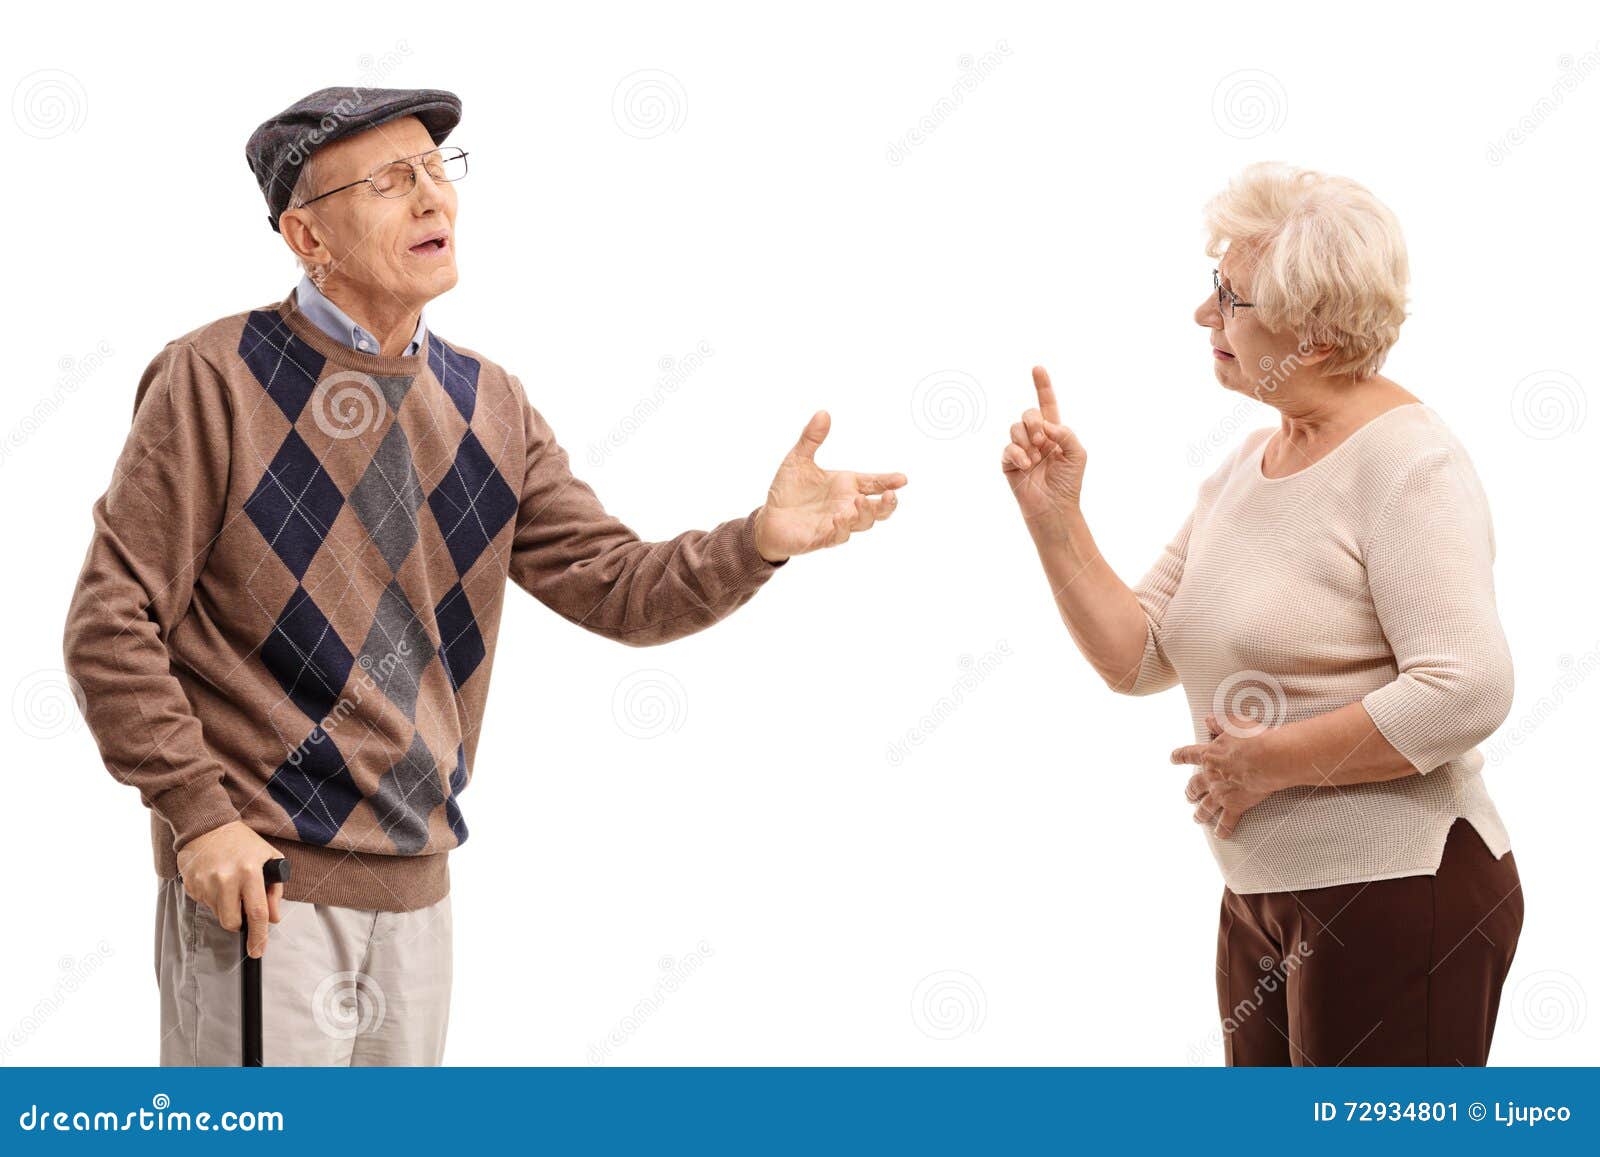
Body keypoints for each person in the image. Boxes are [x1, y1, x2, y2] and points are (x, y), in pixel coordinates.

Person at [61, 86, 907, 1065]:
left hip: (420, 885)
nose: (431, 199)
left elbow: (616, 585)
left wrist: (758, 538)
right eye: (389, 180)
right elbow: (110, 622)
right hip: (263, 883)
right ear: (307, 233)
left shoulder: (488, 401)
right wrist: (201, 818)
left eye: (436, 169)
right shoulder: (214, 376)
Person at [1001, 162, 1522, 1065]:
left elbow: (1467, 688)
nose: (1206, 316)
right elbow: (1138, 654)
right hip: (1263, 895)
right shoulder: (1250, 462)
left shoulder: (1408, 466)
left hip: (1399, 893)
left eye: (1230, 298)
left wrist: (1267, 765)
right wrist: (1057, 519)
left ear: (1314, 335)